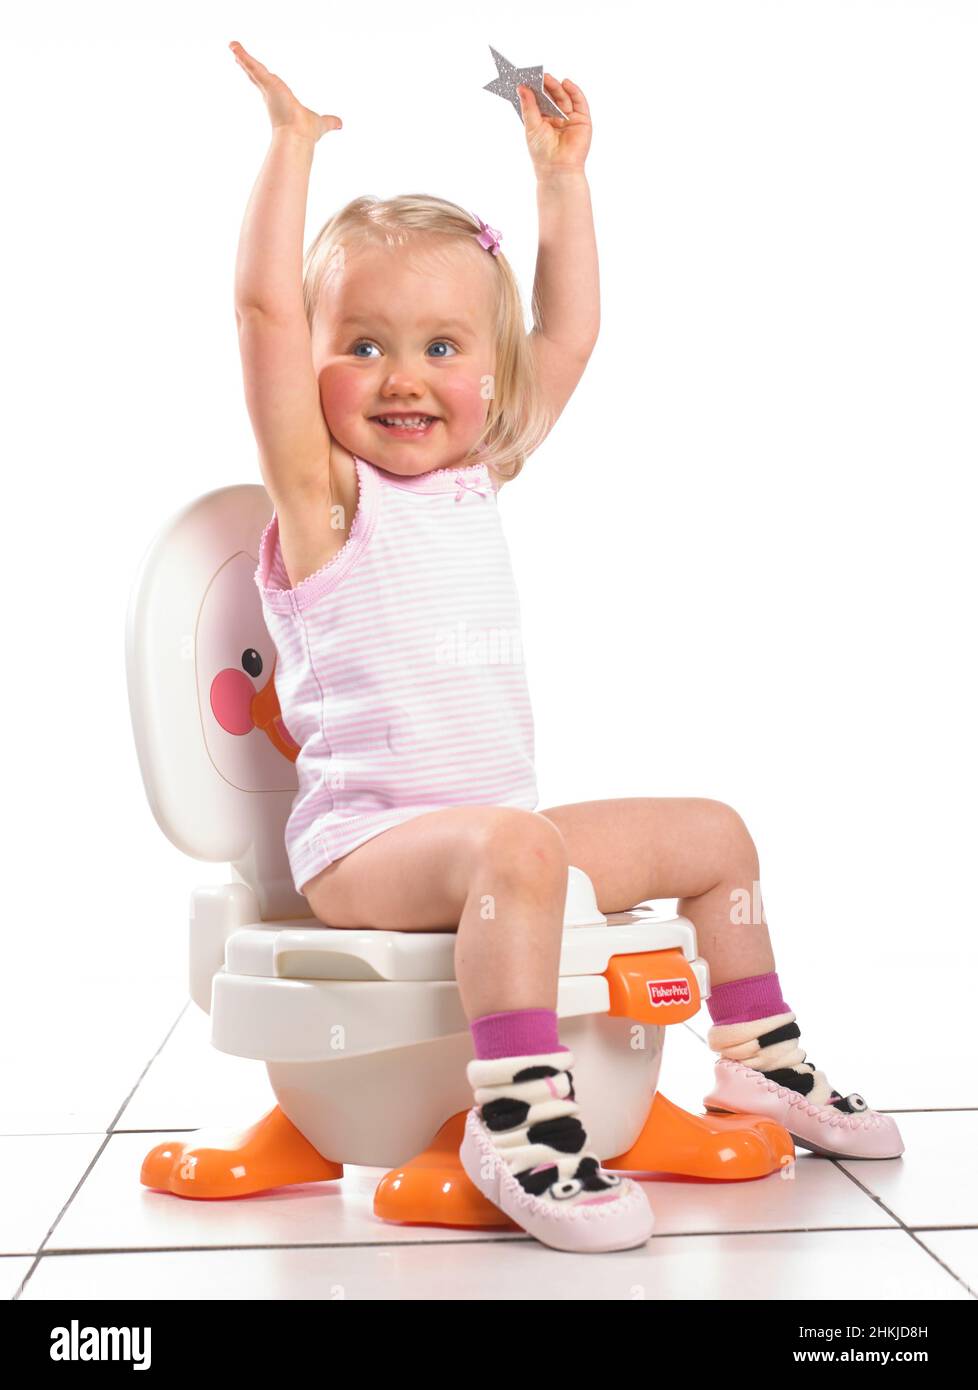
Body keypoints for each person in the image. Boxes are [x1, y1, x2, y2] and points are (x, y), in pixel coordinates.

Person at [233, 40, 902, 1254]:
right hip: (366, 848)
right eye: (364, 345)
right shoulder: (325, 505)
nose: (402, 377)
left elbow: (573, 333)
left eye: (442, 348)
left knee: (715, 835)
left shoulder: (479, 474)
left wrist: (560, 177)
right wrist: (290, 150)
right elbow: (266, 312)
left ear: (490, 380)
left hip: (502, 843)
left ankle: (761, 1059)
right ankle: (520, 1124)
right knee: (522, 844)